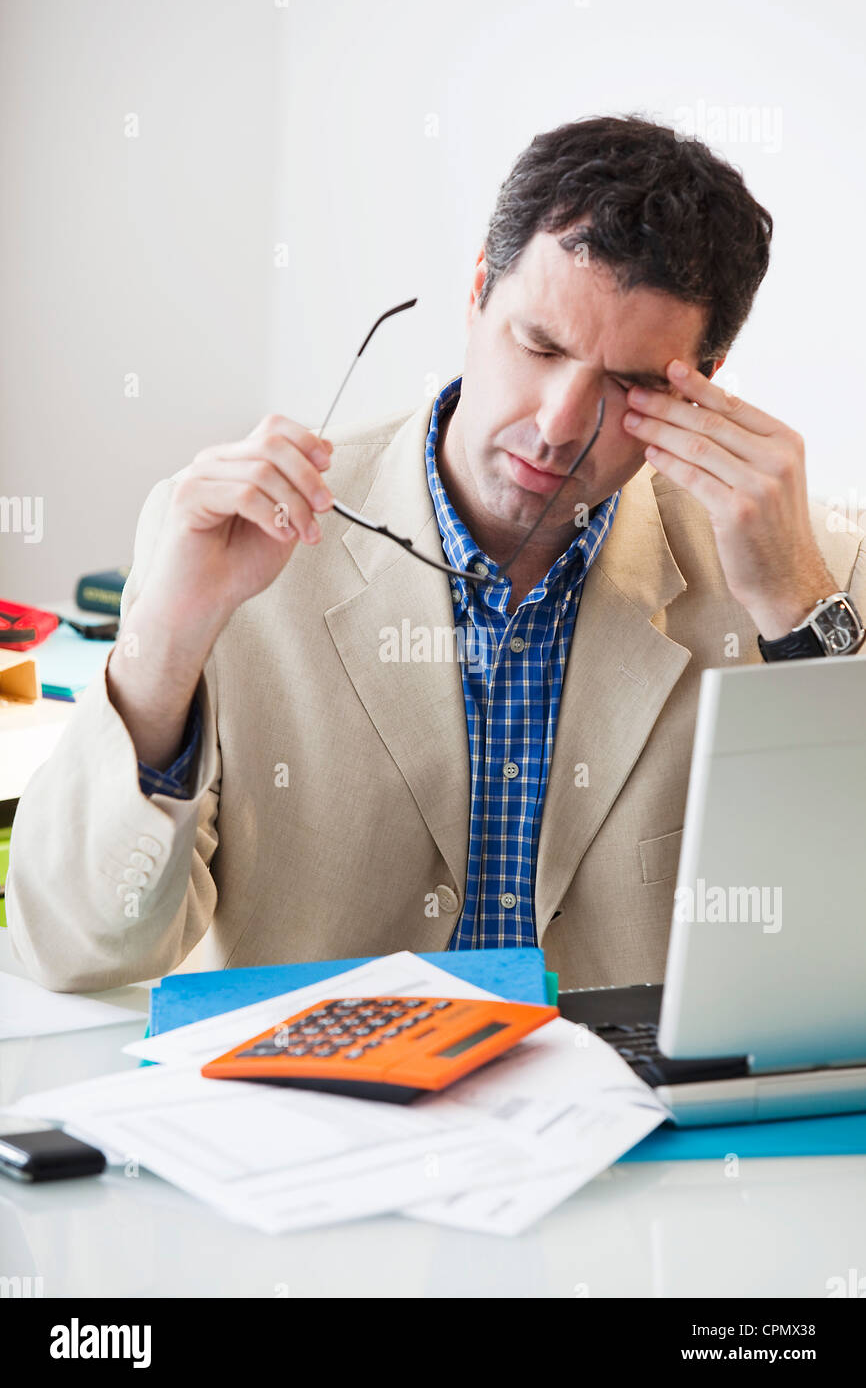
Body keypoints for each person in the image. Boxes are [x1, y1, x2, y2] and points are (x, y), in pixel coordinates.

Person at [7, 115, 865, 992]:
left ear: (704, 383)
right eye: (539, 346)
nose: (559, 426)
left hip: (632, 1122)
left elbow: (839, 952)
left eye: (633, 384)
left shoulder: (809, 571)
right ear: (478, 294)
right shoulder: (232, 538)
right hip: (322, 1112)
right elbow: (73, 949)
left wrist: (801, 617)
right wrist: (171, 639)